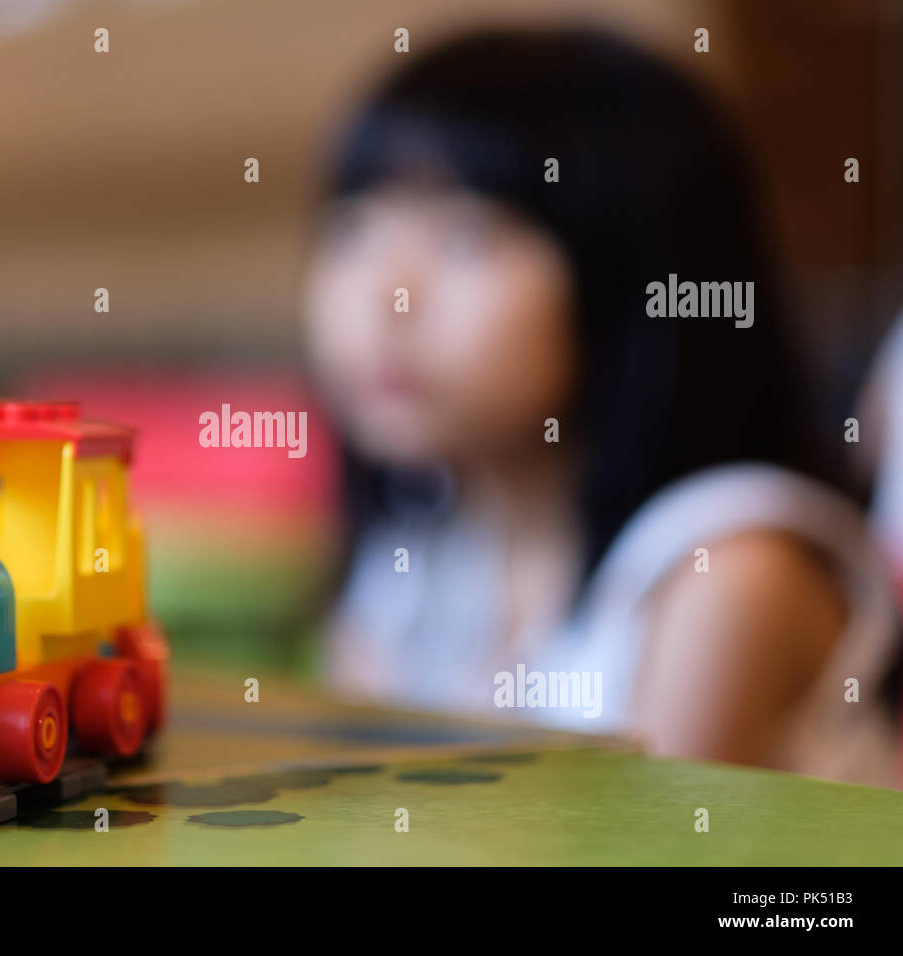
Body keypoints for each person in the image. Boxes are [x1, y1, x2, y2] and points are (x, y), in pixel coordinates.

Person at [303, 29, 899, 786]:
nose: (386, 298)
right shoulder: (416, 550)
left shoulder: (729, 570)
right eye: (354, 229)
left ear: (631, 274)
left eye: (466, 237)